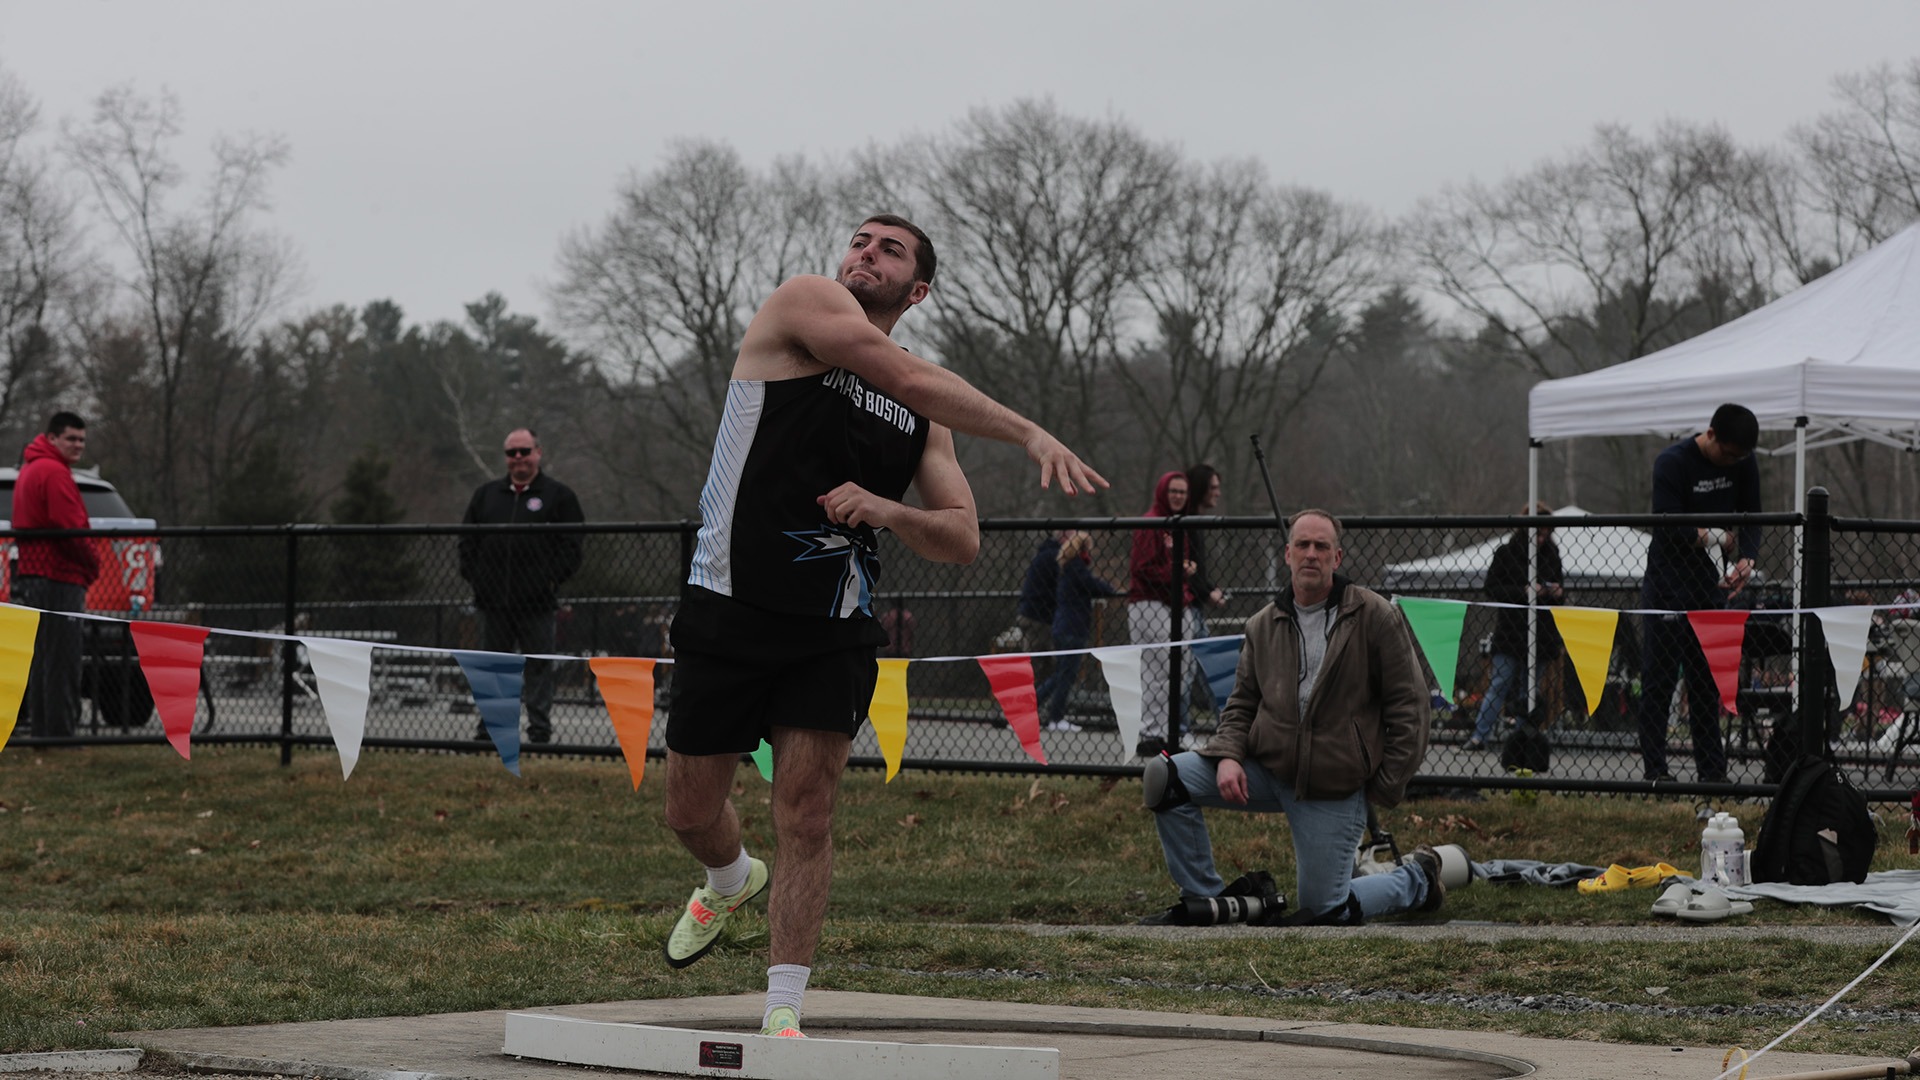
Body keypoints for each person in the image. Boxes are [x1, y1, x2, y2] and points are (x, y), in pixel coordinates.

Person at [661, 214, 1104, 1039]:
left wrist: (890, 510)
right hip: (729, 603)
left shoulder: (922, 417)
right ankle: (729, 878)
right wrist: (1027, 431)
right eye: (860, 241)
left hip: (833, 628)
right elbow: (900, 371)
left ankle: (784, 1008)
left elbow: (962, 538)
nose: (866, 253)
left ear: (918, 289)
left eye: (889, 250)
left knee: (808, 814)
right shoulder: (804, 305)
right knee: (689, 811)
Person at [1140, 509, 1441, 925]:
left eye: (1321, 546)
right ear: (1288, 553)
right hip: (1268, 768)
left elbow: (1411, 707)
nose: (1311, 554)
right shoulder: (1263, 624)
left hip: (1332, 785)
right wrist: (1228, 755)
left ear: (1337, 557)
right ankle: (1209, 900)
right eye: (1302, 545)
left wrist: (1385, 783)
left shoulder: (1375, 616)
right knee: (1165, 777)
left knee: (1323, 911)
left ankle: (1418, 878)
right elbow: (1241, 703)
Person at [1636, 403, 1760, 783]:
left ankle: (1712, 773)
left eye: (1739, 458)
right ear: (1710, 434)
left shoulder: (1743, 462)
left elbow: (1753, 515)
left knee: (1706, 684)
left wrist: (1748, 557)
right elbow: (1669, 524)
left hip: (1710, 587)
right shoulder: (1672, 462)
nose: (1732, 463)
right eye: (1727, 454)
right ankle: (1656, 772)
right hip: (1667, 584)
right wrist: (1715, 536)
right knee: (1659, 680)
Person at [457, 428, 585, 745]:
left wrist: (549, 580)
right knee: (494, 667)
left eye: (524, 451)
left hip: (538, 603)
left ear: (538, 452)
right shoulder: (486, 495)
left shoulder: (559, 496)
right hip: (492, 602)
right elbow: (467, 542)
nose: (518, 458)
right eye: (512, 453)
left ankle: (539, 731)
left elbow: (573, 546)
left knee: (539, 666)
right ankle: (491, 730)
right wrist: (478, 579)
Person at [12, 412, 101, 739]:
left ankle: (43, 732)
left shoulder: (32, 468)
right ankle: (60, 735)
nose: (78, 445)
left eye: (82, 439)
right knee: (62, 659)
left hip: (35, 575)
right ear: (52, 438)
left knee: (43, 659)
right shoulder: (53, 472)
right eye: (71, 438)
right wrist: (93, 563)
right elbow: (71, 528)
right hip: (58, 576)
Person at [1465, 502, 1565, 752]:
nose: (1541, 539)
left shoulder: (1551, 553)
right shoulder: (1506, 553)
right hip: (1511, 631)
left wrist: (1555, 592)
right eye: (1538, 534)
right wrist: (1523, 592)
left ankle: (1523, 738)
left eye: (1545, 534)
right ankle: (1479, 736)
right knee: (1500, 683)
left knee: (1530, 689)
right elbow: (1492, 587)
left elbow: (1560, 590)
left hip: (1540, 632)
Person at [1128, 471, 1197, 757]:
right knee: (1157, 672)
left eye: (1183, 492)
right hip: (1149, 604)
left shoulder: (1177, 525)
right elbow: (1142, 567)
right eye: (1173, 491)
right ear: (1162, 492)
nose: (1178, 496)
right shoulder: (1152, 522)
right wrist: (1178, 570)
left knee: (1177, 671)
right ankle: (1151, 733)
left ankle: (1167, 731)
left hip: (1174, 604)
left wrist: (1183, 570)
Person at [1036, 531, 1120, 731]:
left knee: (1061, 673)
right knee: (1066, 674)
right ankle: (1055, 717)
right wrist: (1111, 590)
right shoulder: (1076, 567)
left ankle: (1032, 707)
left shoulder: (1068, 567)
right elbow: (1094, 585)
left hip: (1064, 627)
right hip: (1072, 628)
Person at [1014, 533, 1062, 683]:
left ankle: (1035, 693)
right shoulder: (1055, 557)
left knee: (1036, 662)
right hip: (1039, 616)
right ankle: (1034, 693)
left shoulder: (1043, 554)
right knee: (1041, 664)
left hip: (1031, 613)